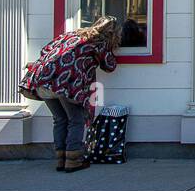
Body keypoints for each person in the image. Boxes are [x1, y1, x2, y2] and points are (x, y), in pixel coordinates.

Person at [19, 17, 121, 172]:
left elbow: (46, 50)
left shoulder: (72, 35)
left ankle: (60, 159)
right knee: (76, 120)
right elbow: (109, 66)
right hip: (66, 84)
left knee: (59, 119)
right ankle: (73, 160)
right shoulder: (99, 41)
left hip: (44, 79)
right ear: (112, 32)